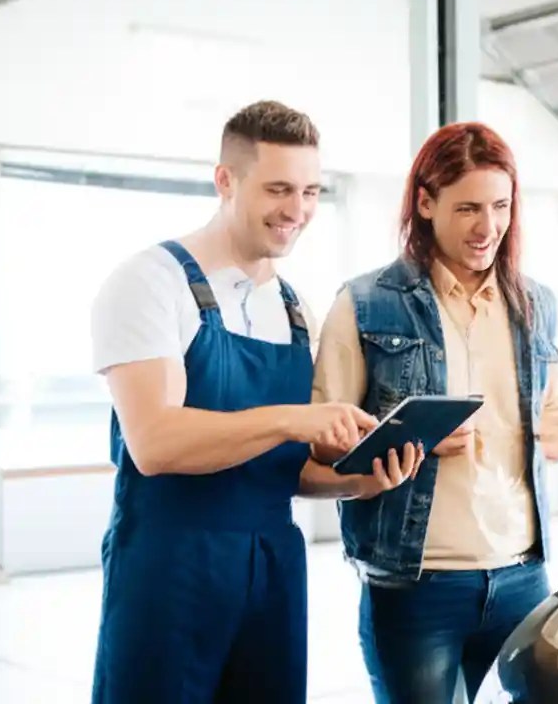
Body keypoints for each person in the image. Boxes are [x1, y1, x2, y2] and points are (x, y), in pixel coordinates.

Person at [88, 100, 423, 703]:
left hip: (273, 565)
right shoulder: (151, 282)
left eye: (311, 191)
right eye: (278, 189)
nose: (297, 211)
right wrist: (293, 418)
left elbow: (281, 470)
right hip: (170, 564)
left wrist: (360, 482)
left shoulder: (294, 308)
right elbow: (155, 444)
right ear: (225, 181)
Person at [312, 121, 558, 703]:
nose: (488, 227)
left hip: (522, 576)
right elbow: (322, 445)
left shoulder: (536, 304)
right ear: (426, 203)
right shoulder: (363, 305)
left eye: (500, 206)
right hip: (416, 584)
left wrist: (556, 431)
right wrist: (405, 440)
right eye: (467, 209)